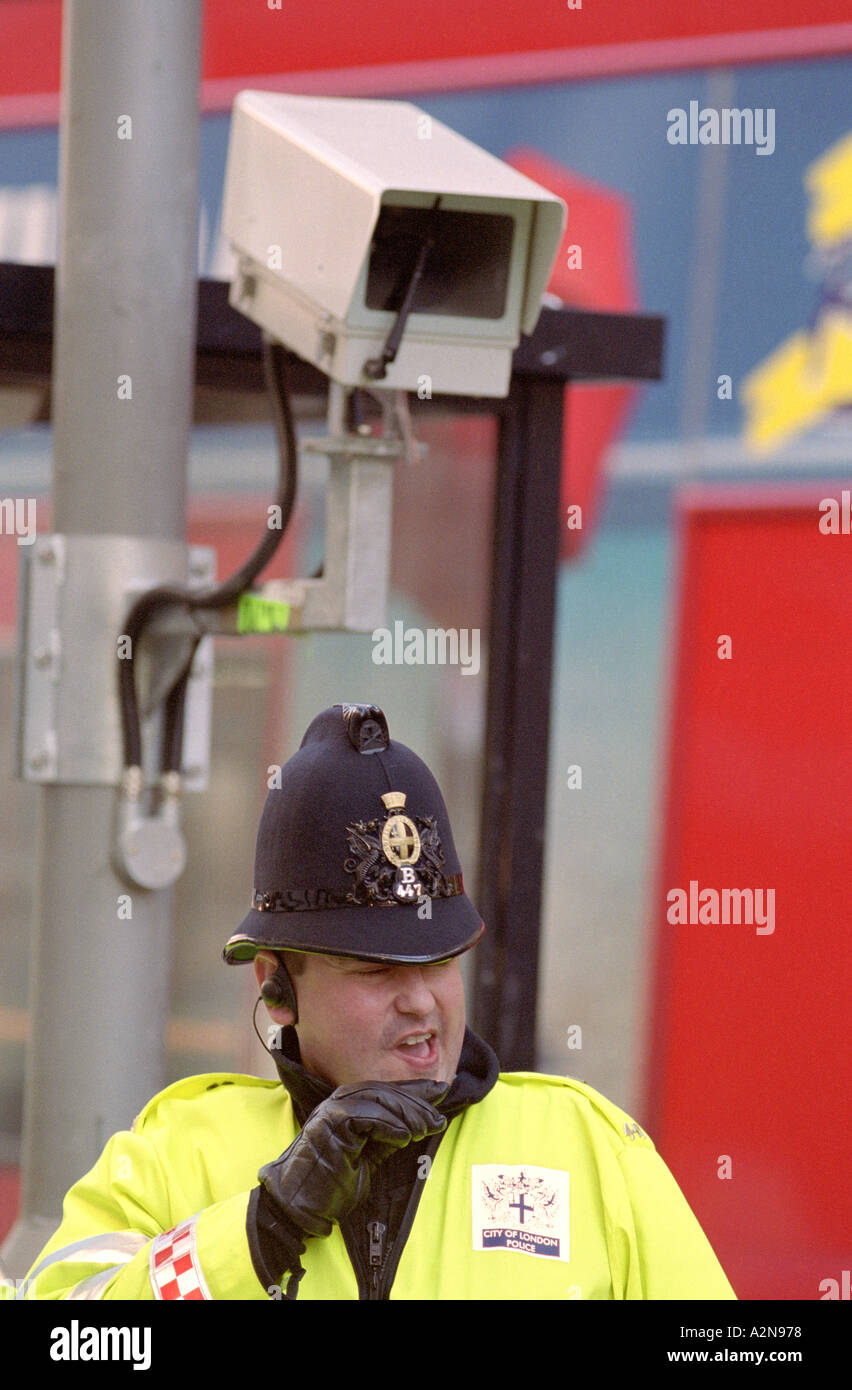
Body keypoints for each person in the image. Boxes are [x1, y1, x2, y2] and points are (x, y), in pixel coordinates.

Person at [21, 703, 735, 1300]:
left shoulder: (590, 1152)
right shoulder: (179, 1158)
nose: (423, 1001)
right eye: (376, 971)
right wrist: (259, 1232)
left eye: (441, 960)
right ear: (277, 987)